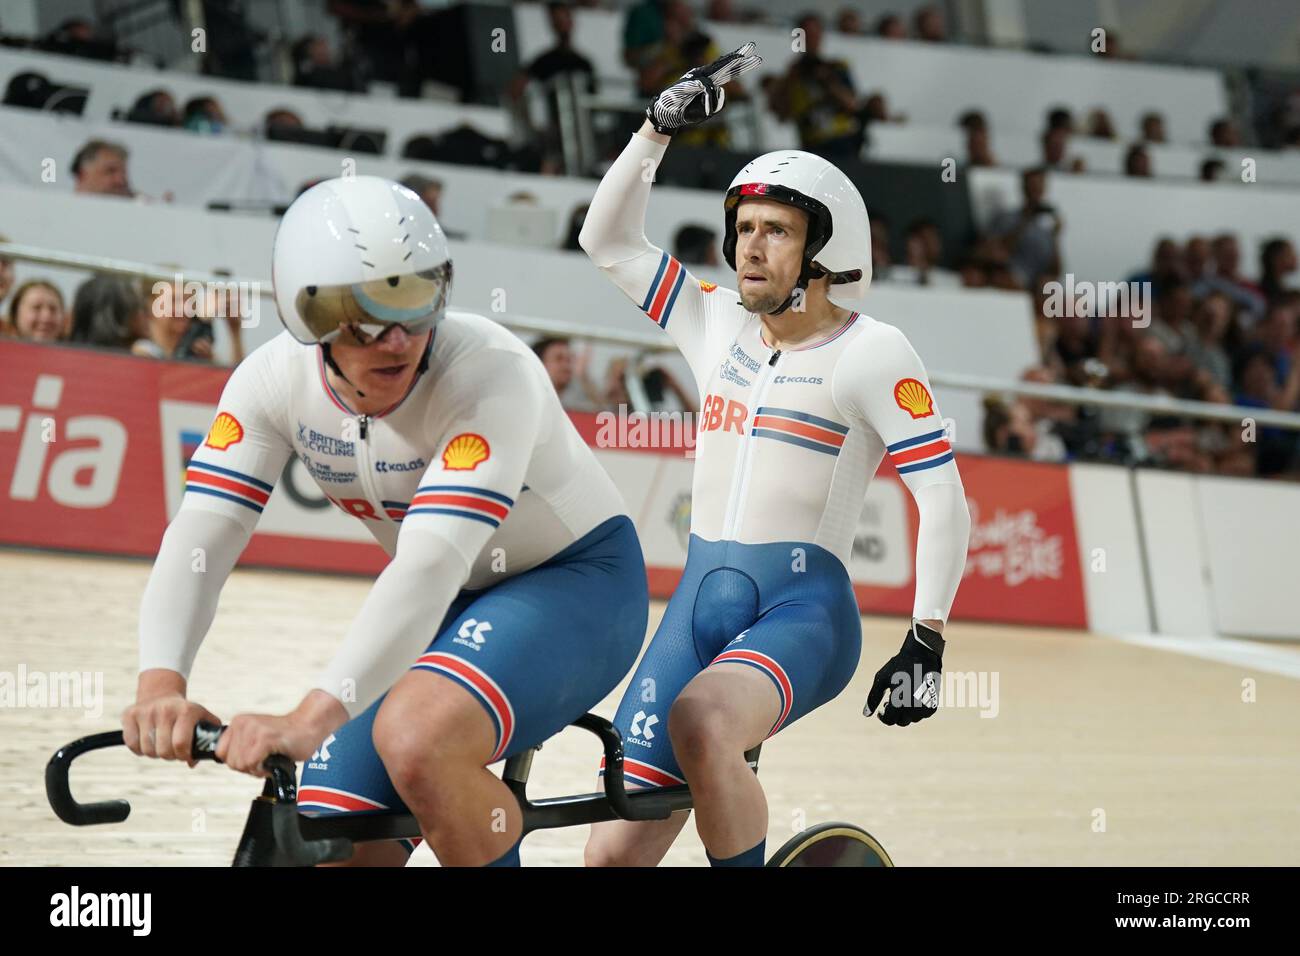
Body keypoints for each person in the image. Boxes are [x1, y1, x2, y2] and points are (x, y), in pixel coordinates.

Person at [121, 176, 649, 867]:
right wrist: (161, 683)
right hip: (454, 602)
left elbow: (428, 565)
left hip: (578, 586)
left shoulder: (490, 374)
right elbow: (203, 537)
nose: (397, 339)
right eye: (365, 315)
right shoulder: (271, 381)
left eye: (415, 298)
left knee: (416, 740)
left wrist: (311, 717)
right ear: (306, 316)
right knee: (333, 827)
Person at [579, 43, 971, 867]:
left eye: (777, 231)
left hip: (804, 614)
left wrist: (927, 640)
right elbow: (607, 240)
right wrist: (655, 130)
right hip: (695, 607)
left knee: (702, 722)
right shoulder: (713, 320)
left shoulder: (875, 352)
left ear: (821, 252)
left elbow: (942, 499)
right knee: (608, 857)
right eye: (744, 228)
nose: (751, 247)